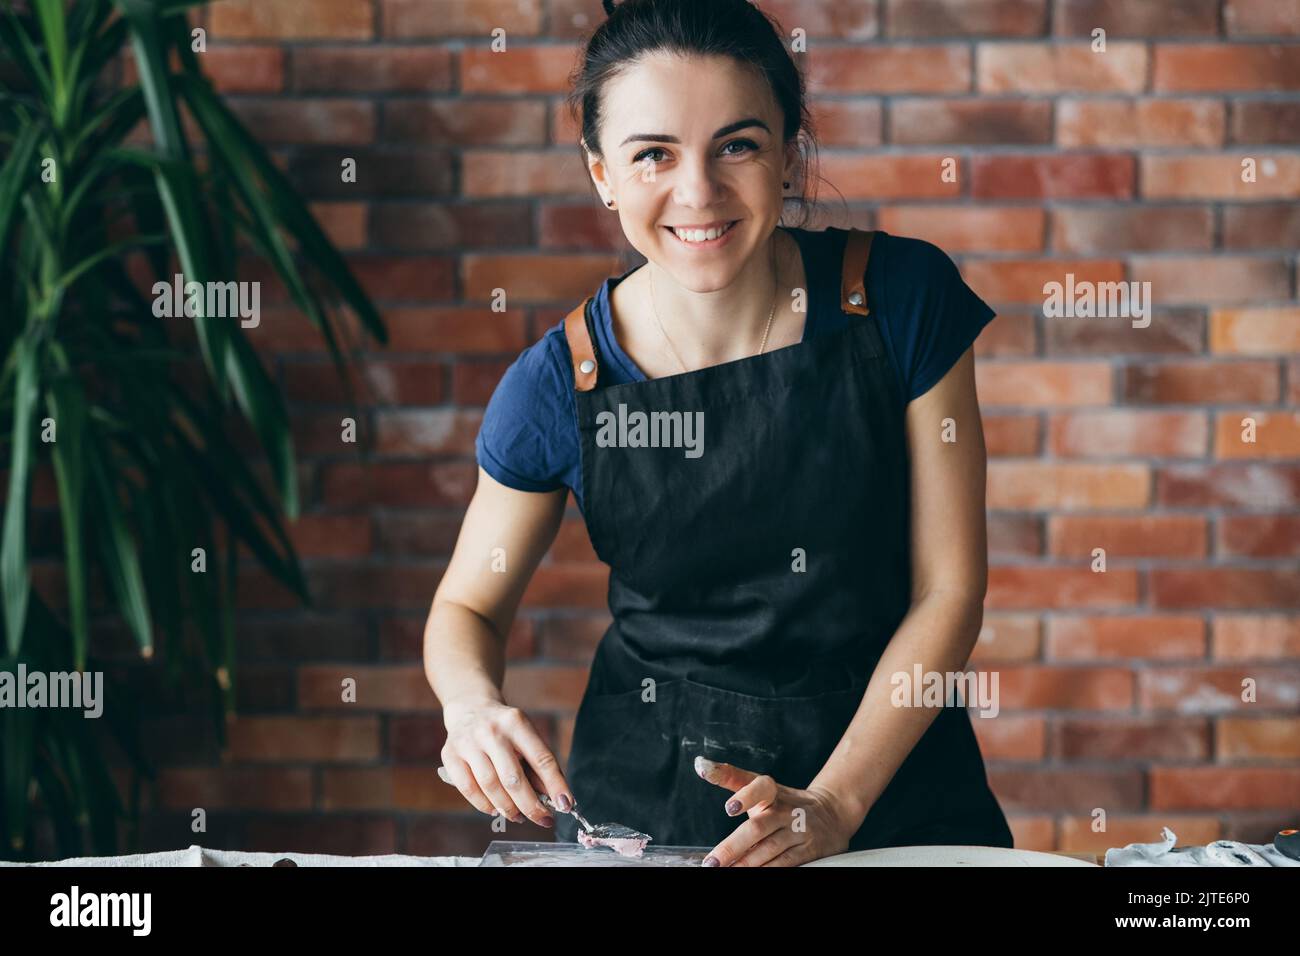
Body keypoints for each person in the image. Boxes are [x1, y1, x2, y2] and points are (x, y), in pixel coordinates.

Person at [425, 0, 1013, 867]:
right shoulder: (557, 384)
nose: (698, 191)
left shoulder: (897, 298)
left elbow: (949, 590)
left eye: (737, 144)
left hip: (895, 797)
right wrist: (470, 705)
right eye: (653, 154)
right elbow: (466, 607)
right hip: (654, 813)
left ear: (786, 151)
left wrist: (835, 805)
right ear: (602, 175)